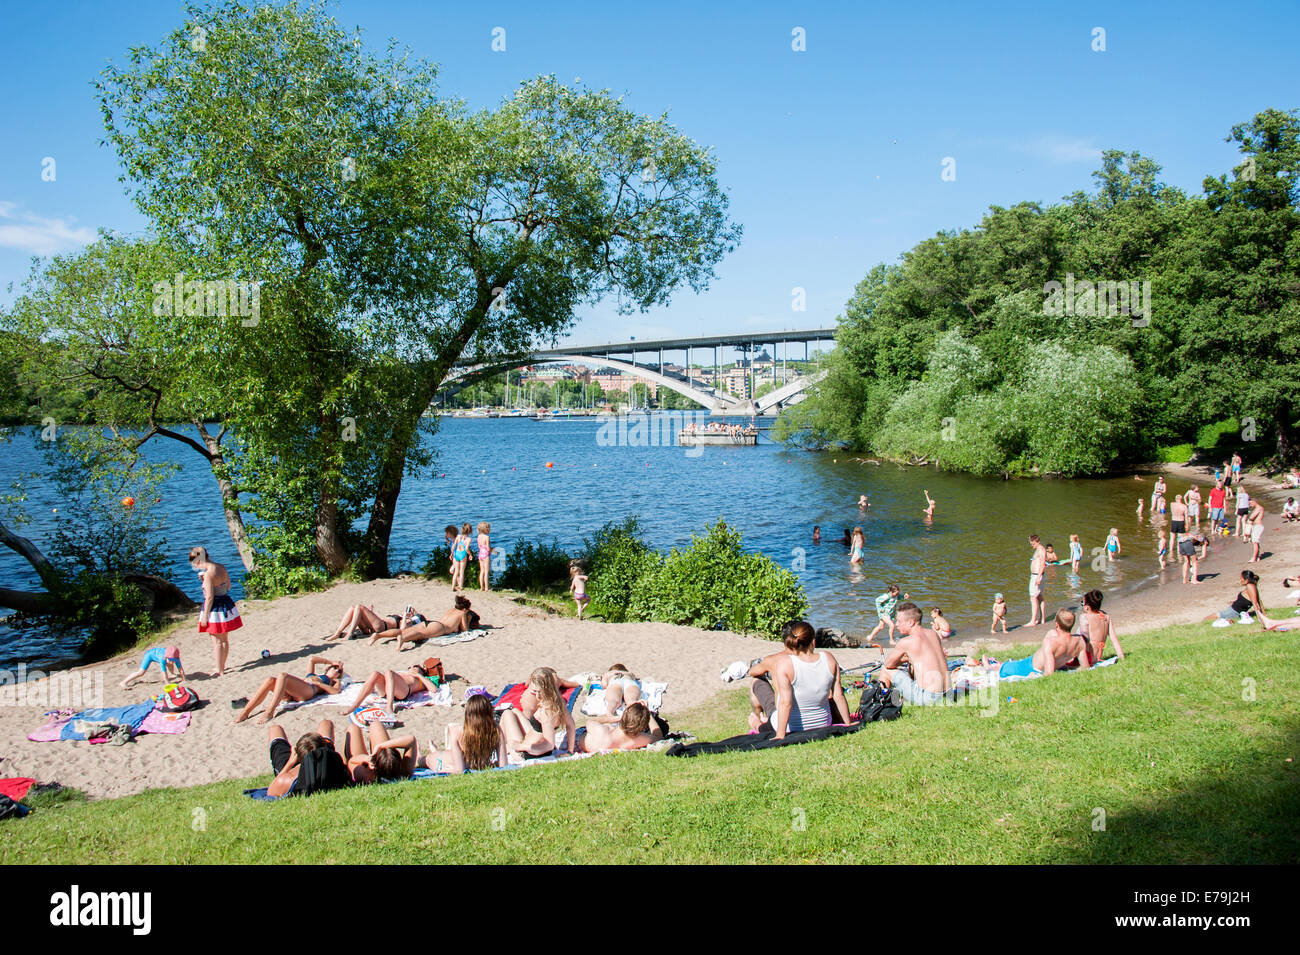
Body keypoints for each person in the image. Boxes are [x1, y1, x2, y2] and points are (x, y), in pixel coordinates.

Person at [769, 620, 850, 738]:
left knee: (758, 685)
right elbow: (839, 695)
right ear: (813, 642)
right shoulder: (828, 658)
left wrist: (780, 735)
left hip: (794, 728)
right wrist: (848, 724)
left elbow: (785, 703)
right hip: (823, 723)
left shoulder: (785, 664)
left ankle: (756, 721)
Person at [234, 656, 346, 724]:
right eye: (335, 668)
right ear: (328, 668)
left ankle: (270, 711)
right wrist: (331, 662)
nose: (336, 671)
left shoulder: (331, 681)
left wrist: (319, 684)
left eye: (339, 672)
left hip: (308, 691)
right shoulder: (313, 674)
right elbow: (312, 659)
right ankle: (245, 712)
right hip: (294, 692)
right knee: (270, 680)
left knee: (283, 676)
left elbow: (336, 692)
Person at [878, 602, 951, 705]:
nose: (896, 624)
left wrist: (904, 659)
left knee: (885, 670)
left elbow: (888, 664)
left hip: (929, 698)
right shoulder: (933, 634)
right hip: (948, 694)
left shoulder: (906, 641)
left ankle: (881, 702)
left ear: (911, 622)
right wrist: (909, 659)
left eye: (899, 621)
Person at [499, 667, 577, 757]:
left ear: (548, 689)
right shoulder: (559, 703)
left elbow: (549, 745)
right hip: (532, 741)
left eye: (540, 692)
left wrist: (522, 746)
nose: (537, 696)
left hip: (528, 752)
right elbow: (571, 726)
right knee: (514, 711)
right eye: (534, 692)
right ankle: (502, 747)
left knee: (507, 714)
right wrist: (570, 751)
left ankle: (500, 749)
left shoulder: (547, 712)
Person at [265, 720, 351, 798]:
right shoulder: (334, 769)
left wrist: (290, 762)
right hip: (323, 761)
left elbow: (271, 791)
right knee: (326, 723)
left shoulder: (287, 779)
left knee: (275, 728)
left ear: (296, 753)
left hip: (294, 766)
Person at [190, 545, 241, 677]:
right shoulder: (221, 567)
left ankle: (219, 670)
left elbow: (209, 597)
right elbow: (228, 586)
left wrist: (205, 617)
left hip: (215, 610)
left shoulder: (208, 574)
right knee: (224, 639)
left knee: (216, 640)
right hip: (226, 604)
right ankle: (222, 666)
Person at [424, 693, 508, 773]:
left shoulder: (457, 731)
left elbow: (460, 769)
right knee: (425, 759)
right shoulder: (495, 730)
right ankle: (433, 749)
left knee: (427, 758)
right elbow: (503, 764)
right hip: (444, 759)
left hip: (447, 760)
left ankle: (433, 749)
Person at [994, 609, 1087, 679]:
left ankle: (990, 665)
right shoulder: (1079, 641)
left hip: (1032, 667)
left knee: (1004, 668)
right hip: (1035, 662)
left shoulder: (1051, 642)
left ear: (1057, 624)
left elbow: (1049, 673)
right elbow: (1085, 667)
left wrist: (1035, 676)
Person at [367, 596, 479, 650]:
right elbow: (465, 630)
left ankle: (379, 635)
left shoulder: (451, 610)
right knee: (419, 635)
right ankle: (403, 639)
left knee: (403, 630)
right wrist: (468, 621)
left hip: (431, 622)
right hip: (440, 628)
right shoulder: (462, 614)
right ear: (465, 609)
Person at [342, 664, 440, 717]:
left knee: (389, 672)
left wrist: (419, 675)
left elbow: (434, 690)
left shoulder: (420, 680)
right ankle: (355, 705)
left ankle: (389, 706)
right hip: (388, 691)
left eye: (416, 667)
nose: (412, 668)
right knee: (375, 674)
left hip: (403, 691)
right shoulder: (403, 674)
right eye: (411, 667)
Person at [343, 720, 419, 783]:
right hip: (375, 766)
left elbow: (351, 762)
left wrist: (369, 758)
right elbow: (411, 740)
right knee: (375, 724)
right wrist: (380, 746)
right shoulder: (404, 772)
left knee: (353, 728)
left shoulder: (368, 776)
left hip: (362, 762)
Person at [1205, 570, 1282, 629]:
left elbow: (1255, 603)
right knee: (1211, 617)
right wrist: (1263, 613)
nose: (1240, 580)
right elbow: (1259, 601)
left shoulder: (1250, 587)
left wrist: (1261, 618)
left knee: (1207, 619)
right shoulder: (1253, 586)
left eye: (1241, 579)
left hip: (1233, 612)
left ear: (1247, 580)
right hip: (1233, 610)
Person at [579, 701, 667, 752]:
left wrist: (618, 718)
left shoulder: (603, 731)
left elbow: (590, 721)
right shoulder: (639, 739)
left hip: (578, 740)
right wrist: (648, 713)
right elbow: (659, 737)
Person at [1080, 590, 1124, 663]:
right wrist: (1121, 656)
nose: (1082, 604)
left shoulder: (1084, 617)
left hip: (1088, 659)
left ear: (1087, 607)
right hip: (1097, 658)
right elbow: (1114, 639)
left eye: (1082, 603)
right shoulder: (1106, 616)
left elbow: (1084, 640)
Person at [1027, 534, 1047, 626]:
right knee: (1039, 596)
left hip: (1037, 576)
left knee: (1033, 597)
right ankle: (1041, 619)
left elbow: (1043, 564)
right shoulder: (1038, 550)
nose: (1032, 546)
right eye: (1031, 544)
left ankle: (1033, 620)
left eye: (1033, 544)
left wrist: (1038, 577)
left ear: (1038, 541)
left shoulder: (1041, 550)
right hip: (1036, 575)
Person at [451, 522, 472, 591]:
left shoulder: (458, 536)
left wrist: (451, 554)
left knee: (456, 571)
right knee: (461, 571)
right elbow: (466, 548)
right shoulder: (468, 539)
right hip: (463, 555)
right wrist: (470, 554)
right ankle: (460, 586)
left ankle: (453, 586)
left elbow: (453, 547)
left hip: (456, 554)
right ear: (469, 531)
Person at [476, 521, 492, 591]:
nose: (489, 530)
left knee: (482, 571)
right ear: (485, 529)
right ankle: (486, 588)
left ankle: (481, 587)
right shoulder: (487, 537)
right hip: (486, 554)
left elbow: (480, 546)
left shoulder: (479, 537)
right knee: (486, 572)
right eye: (488, 528)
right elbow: (488, 548)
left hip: (480, 554)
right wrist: (493, 550)